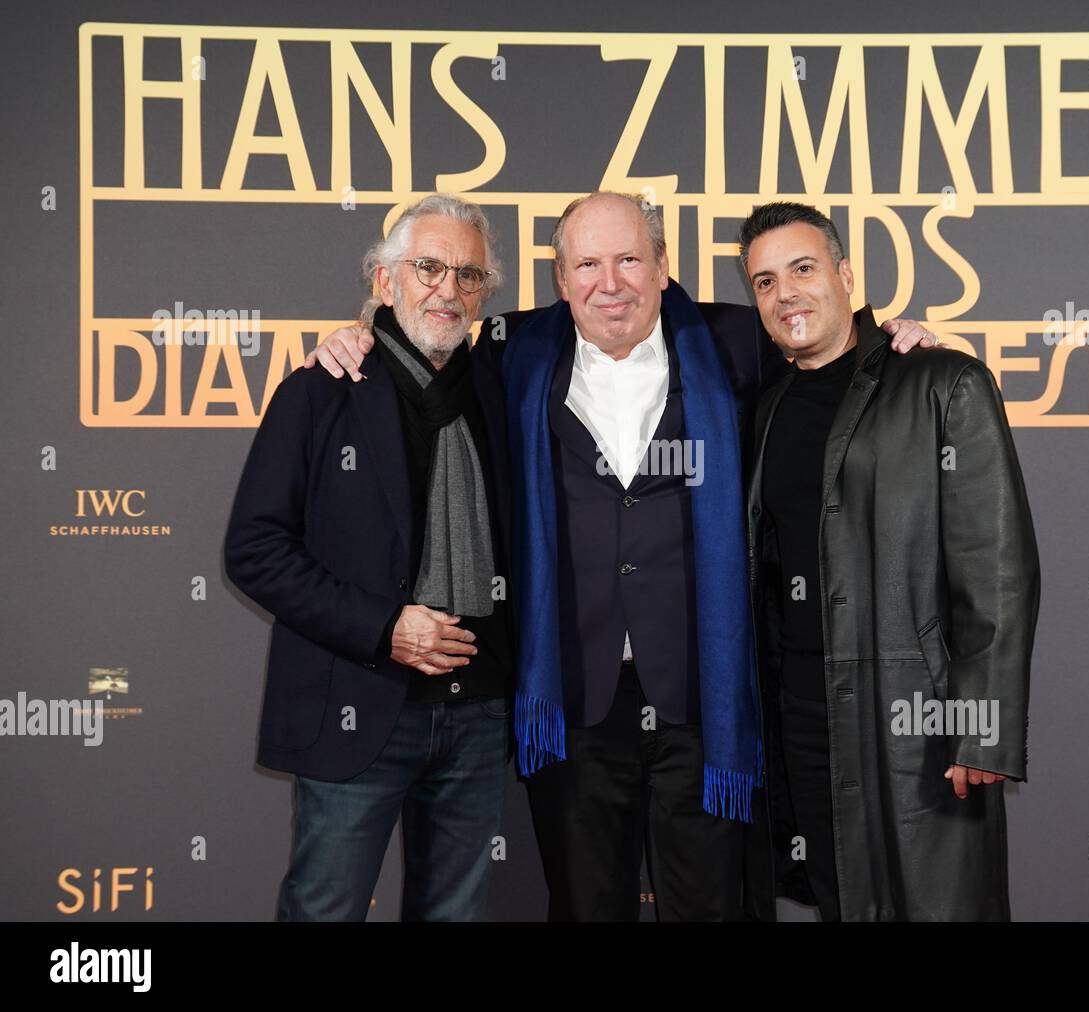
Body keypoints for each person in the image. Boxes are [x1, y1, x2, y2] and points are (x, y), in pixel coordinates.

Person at [305, 192, 938, 921]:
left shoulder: (733, 340)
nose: (612, 282)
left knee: (713, 908)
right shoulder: (513, 349)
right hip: (573, 697)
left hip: (705, 696)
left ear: (663, 267)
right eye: (589, 264)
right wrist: (355, 337)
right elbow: (422, 356)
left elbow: (825, 352)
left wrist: (894, 346)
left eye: (630, 259)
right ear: (561, 277)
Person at [739, 201, 1040, 921]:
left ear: (845, 275)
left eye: (803, 269)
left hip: (919, 722)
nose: (786, 293)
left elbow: (997, 570)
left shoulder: (942, 383)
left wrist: (984, 731)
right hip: (804, 721)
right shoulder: (765, 406)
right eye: (764, 281)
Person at [224, 194, 514, 921]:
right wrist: (386, 626)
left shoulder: (502, 388)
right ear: (385, 282)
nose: (448, 289)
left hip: (478, 716)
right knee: (326, 910)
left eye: (468, 275)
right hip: (358, 703)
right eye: (428, 268)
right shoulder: (320, 391)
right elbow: (254, 549)